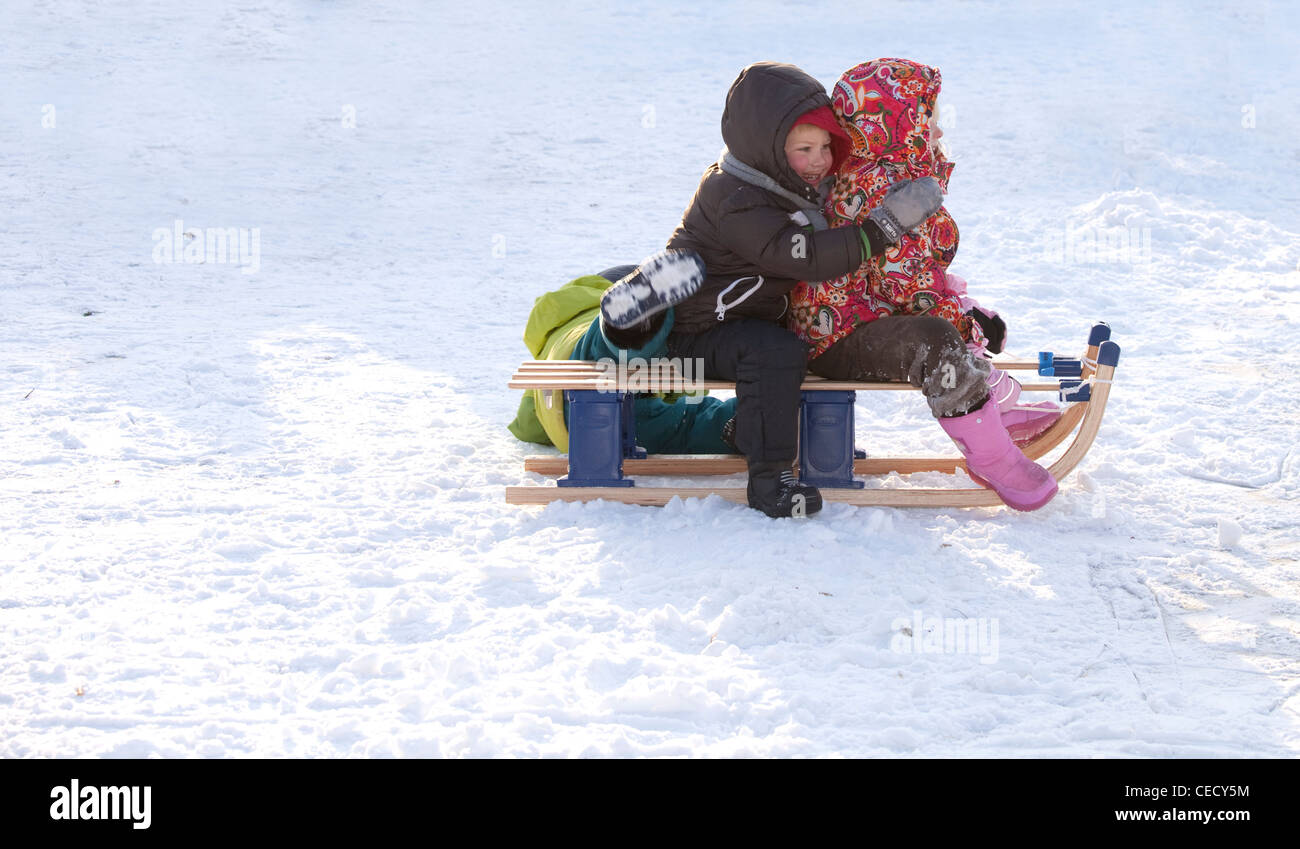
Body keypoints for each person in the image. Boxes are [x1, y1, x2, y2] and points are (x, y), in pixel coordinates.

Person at [596, 61, 943, 517]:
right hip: (695, 331)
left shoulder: (792, 186)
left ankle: (639, 304)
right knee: (774, 353)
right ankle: (769, 481)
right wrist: (879, 230)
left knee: (792, 341)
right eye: (804, 148)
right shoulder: (735, 195)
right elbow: (802, 256)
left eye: (826, 146)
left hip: (742, 313)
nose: (819, 159)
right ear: (767, 148)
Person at [787, 58, 1059, 511]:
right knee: (935, 340)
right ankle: (990, 456)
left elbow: (909, 275)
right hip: (836, 336)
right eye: (926, 119)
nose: (937, 131)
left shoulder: (885, 175)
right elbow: (904, 283)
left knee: (948, 324)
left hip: (856, 319)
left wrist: (965, 311)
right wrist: (965, 322)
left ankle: (997, 417)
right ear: (894, 125)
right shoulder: (882, 186)